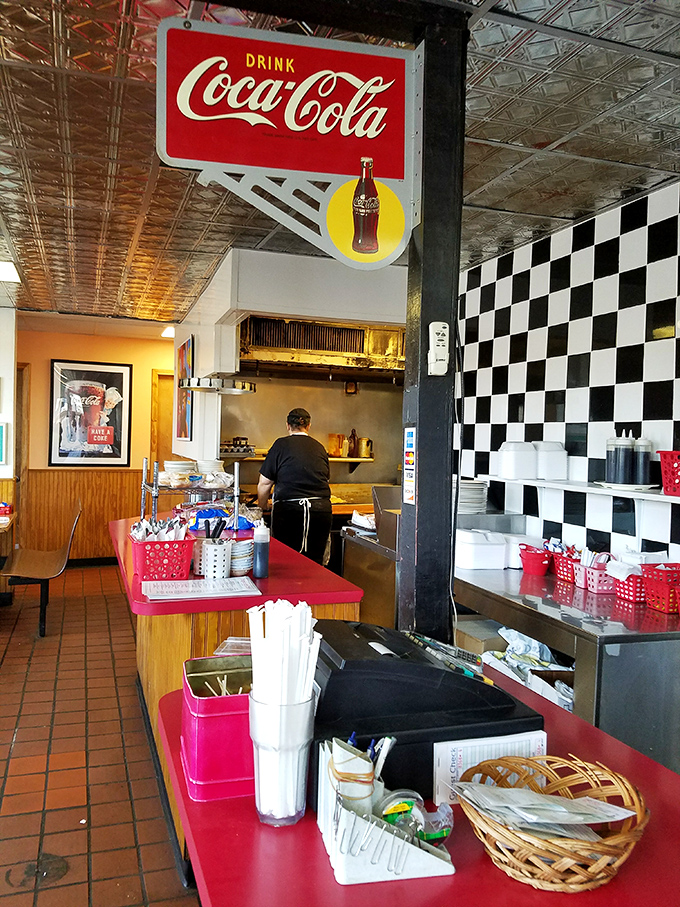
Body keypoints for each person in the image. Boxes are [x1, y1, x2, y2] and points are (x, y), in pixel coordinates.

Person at [257, 408, 332, 564]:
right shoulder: (319, 447)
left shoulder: (280, 445)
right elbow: (325, 479)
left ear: (287, 425)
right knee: (315, 563)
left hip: (289, 513)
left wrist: (262, 506)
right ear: (309, 426)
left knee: (285, 563)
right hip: (321, 511)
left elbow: (265, 483)